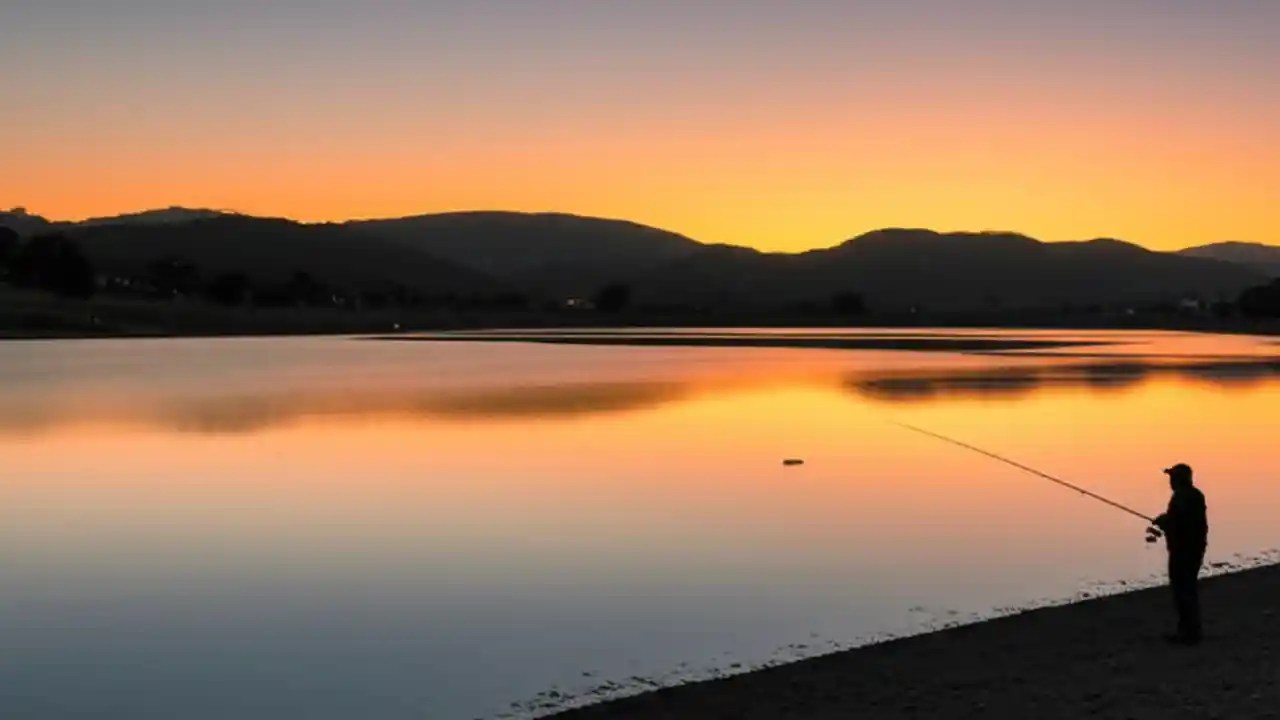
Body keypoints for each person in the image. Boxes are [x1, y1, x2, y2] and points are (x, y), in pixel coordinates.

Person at [1150, 463, 1209, 645]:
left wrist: (1164, 522)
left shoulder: (1182, 497)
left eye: (1173, 477)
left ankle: (1188, 633)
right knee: (1187, 589)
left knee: (1182, 590)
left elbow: (1180, 525)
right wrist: (1166, 521)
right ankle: (1190, 630)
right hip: (1194, 549)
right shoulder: (1195, 495)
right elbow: (1182, 521)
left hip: (1184, 551)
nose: (1170, 481)